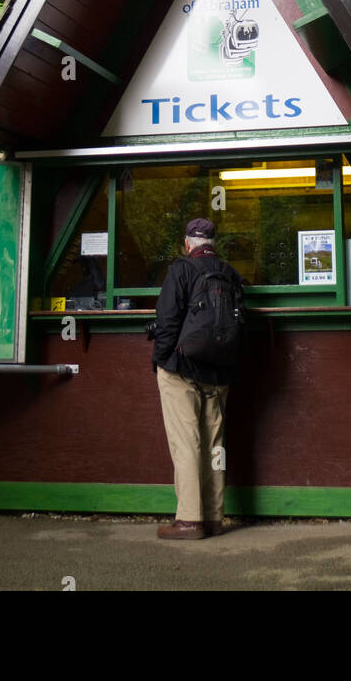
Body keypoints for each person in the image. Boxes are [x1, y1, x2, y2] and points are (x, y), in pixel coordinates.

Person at [152, 217, 244, 540]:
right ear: (213, 243)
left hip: (183, 369)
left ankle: (190, 520)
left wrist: (162, 360)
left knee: (187, 441)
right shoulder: (231, 274)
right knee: (215, 444)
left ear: (188, 242)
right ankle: (215, 517)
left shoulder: (182, 270)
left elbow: (166, 322)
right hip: (220, 373)